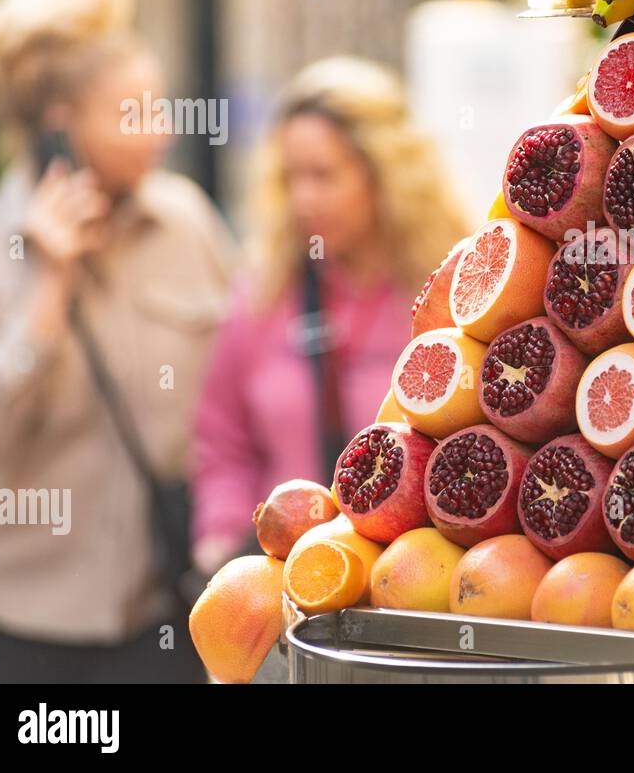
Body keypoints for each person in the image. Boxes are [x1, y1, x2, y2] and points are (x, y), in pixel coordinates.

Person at [0, 0, 236, 683]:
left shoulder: (182, 222)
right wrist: (48, 291)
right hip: (37, 619)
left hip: (171, 603)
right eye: (133, 112)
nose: (159, 130)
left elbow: (238, 386)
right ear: (61, 127)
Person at [191, 56, 468, 573]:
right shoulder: (264, 295)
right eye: (291, 178)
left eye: (323, 175)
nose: (303, 198)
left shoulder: (454, 291)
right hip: (286, 582)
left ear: (386, 173)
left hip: (418, 583)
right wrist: (221, 537)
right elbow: (221, 444)